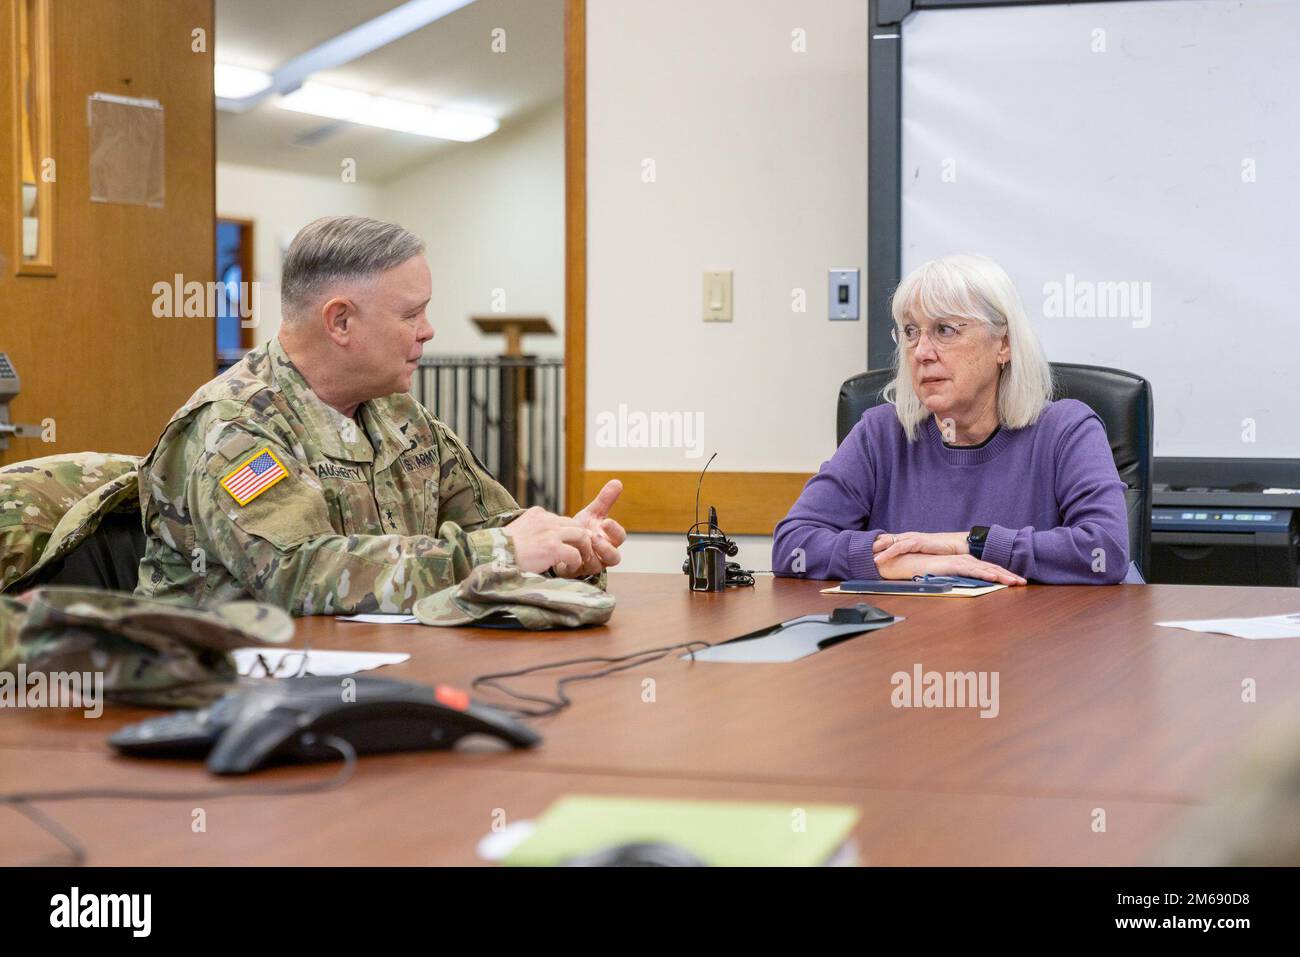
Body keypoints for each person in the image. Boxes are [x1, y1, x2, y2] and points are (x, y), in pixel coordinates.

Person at [136, 215, 624, 615]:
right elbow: (300, 574)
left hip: (368, 674)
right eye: (411, 314)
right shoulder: (236, 425)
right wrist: (503, 552)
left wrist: (563, 549)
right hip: (226, 694)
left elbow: (490, 526)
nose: (428, 331)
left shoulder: (398, 414)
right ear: (341, 321)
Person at [773, 253, 1132, 585]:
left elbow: (1105, 550)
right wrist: (898, 561)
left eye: (945, 330)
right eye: (911, 332)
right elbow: (793, 546)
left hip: (1031, 644)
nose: (922, 352)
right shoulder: (880, 434)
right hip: (908, 643)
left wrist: (968, 544)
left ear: (1003, 344)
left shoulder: (1066, 430)